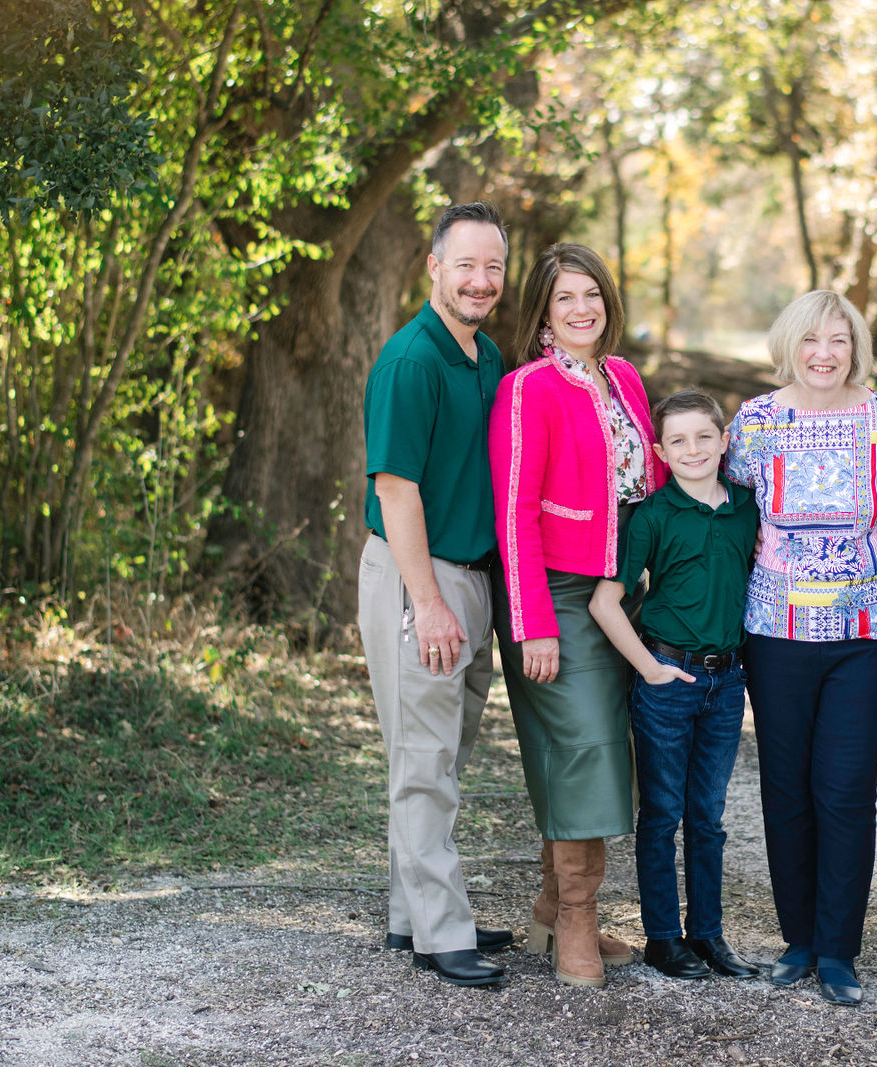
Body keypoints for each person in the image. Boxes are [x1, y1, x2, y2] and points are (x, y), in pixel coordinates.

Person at [488, 243, 665, 989]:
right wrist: (533, 622)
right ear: (544, 311)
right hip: (555, 591)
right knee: (586, 746)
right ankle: (578, 922)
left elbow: (649, 482)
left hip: (624, 595)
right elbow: (514, 510)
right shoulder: (526, 388)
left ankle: (550, 906)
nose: (582, 308)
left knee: (612, 745)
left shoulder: (623, 377)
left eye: (591, 294)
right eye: (566, 298)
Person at [725, 290, 877, 1007]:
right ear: (789, 346)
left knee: (845, 792)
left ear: (855, 346)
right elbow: (724, 497)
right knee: (786, 788)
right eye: (811, 340)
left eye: (838, 339)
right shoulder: (757, 421)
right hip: (776, 631)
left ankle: (838, 948)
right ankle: (797, 937)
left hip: (867, 634)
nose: (824, 353)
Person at [359, 201, 514, 987]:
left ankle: (410, 912)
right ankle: (442, 932)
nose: (481, 279)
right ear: (434, 267)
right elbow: (396, 489)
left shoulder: (482, 355)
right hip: (419, 573)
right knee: (423, 757)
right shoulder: (412, 360)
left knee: (437, 754)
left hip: (469, 575)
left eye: (493, 265)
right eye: (466, 264)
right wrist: (429, 603)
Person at [587, 389, 762, 982]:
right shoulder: (653, 515)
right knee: (662, 815)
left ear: (724, 441)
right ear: (660, 451)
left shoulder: (746, 507)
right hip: (667, 678)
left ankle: (707, 934)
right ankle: (663, 937)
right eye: (679, 441)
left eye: (704, 437)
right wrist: (648, 668)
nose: (693, 450)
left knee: (707, 817)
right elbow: (606, 602)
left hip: (726, 678)